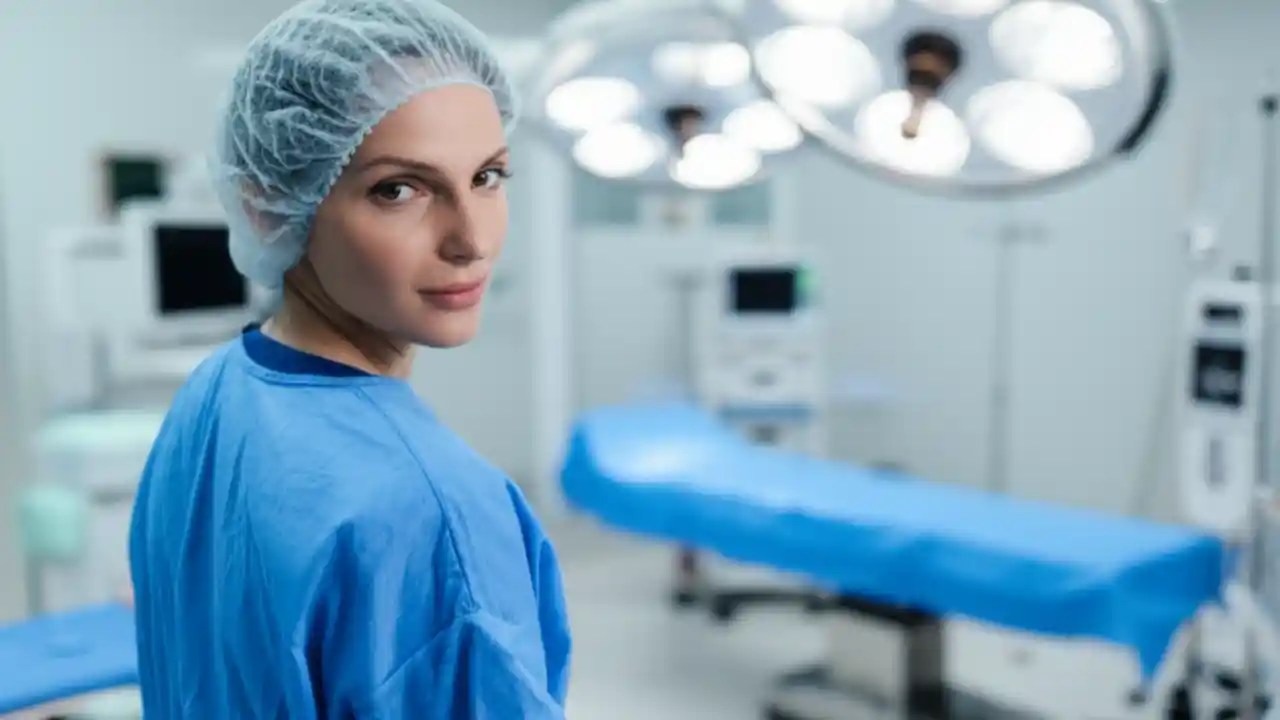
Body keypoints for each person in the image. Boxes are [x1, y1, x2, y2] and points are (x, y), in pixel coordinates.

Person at [127, 1, 571, 717]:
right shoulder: (435, 513)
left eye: (488, 177)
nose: (471, 240)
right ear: (270, 208)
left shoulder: (216, 391)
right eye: (400, 189)